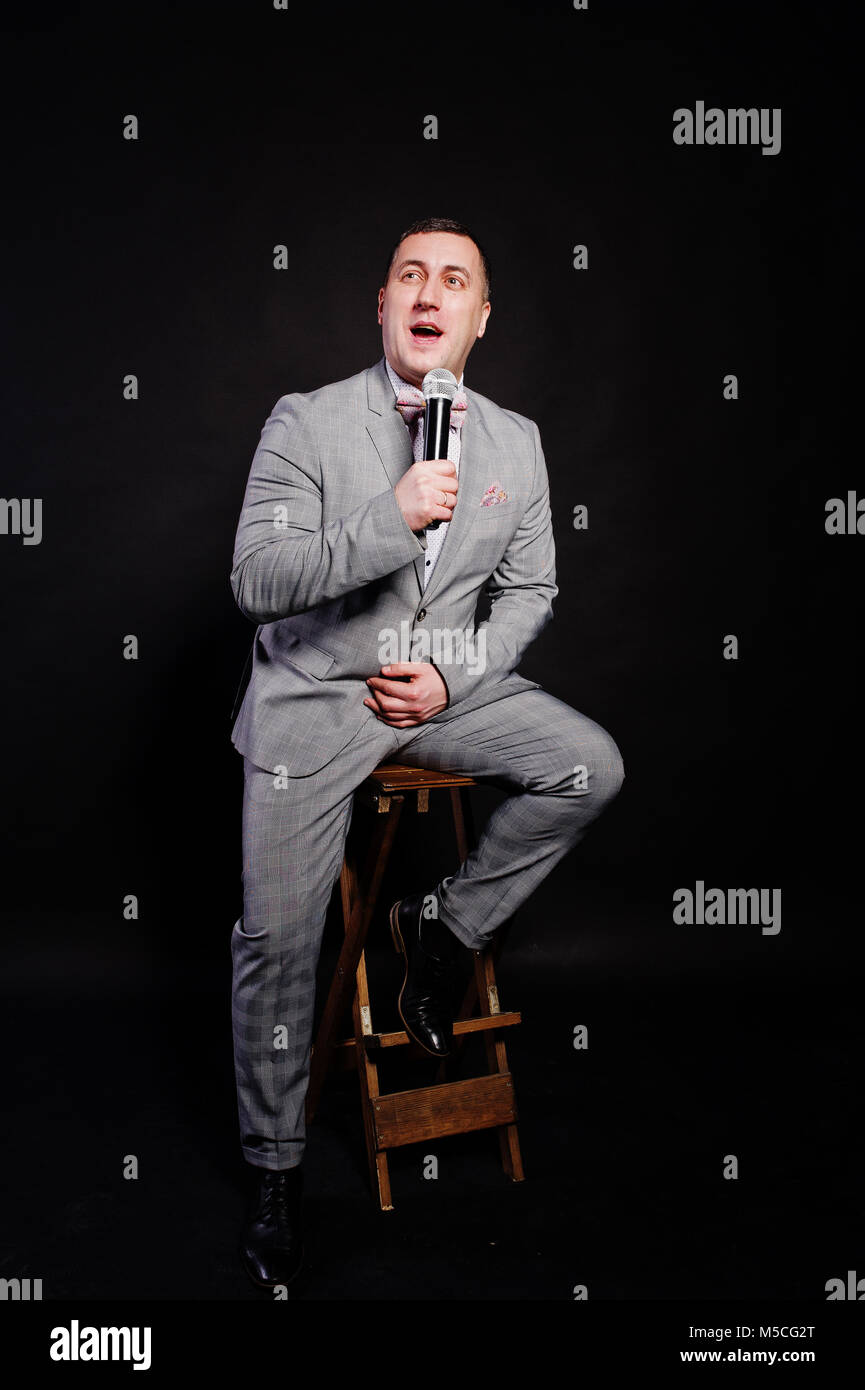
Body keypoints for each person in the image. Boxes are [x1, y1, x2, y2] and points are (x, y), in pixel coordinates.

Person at [228, 216, 625, 1288]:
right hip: (314, 700)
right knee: (277, 940)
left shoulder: (514, 441)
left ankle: (441, 925)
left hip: (435, 688)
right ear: (383, 303)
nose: (429, 290)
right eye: (410, 272)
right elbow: (253, 582)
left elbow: (531, 589)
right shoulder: (306, 422)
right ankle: (273, 1169)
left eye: (453, 279)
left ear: (478, 318)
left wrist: (455, 675)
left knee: (587, 763)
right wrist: (387, 519)